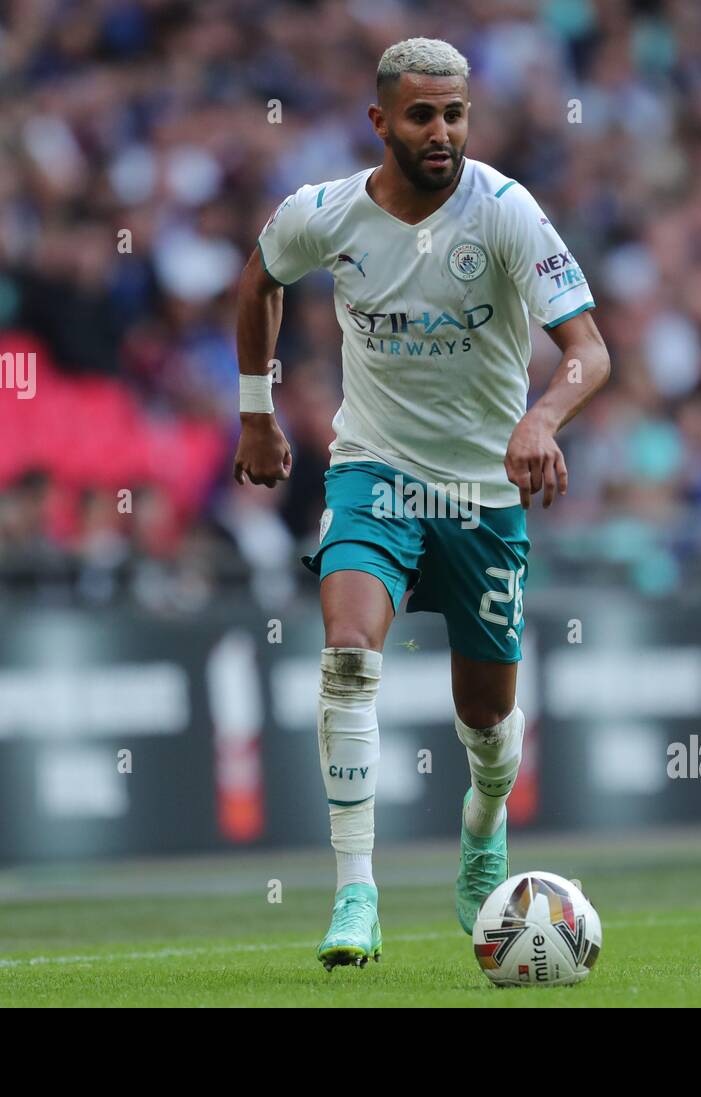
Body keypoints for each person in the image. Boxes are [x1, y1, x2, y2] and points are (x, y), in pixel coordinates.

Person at [232, 37, 611, 969]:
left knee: (486, 724)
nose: (441, 132)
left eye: (455, 114)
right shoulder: (324, 214)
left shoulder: (509, 212)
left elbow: (590, 350)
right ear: (380, 122)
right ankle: (356, 891)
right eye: (421, 115)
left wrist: (542, 419)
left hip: (485, 492)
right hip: (373, 471)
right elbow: (260, 279)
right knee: (349, 654)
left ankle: (482, 840)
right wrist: (256, 414)